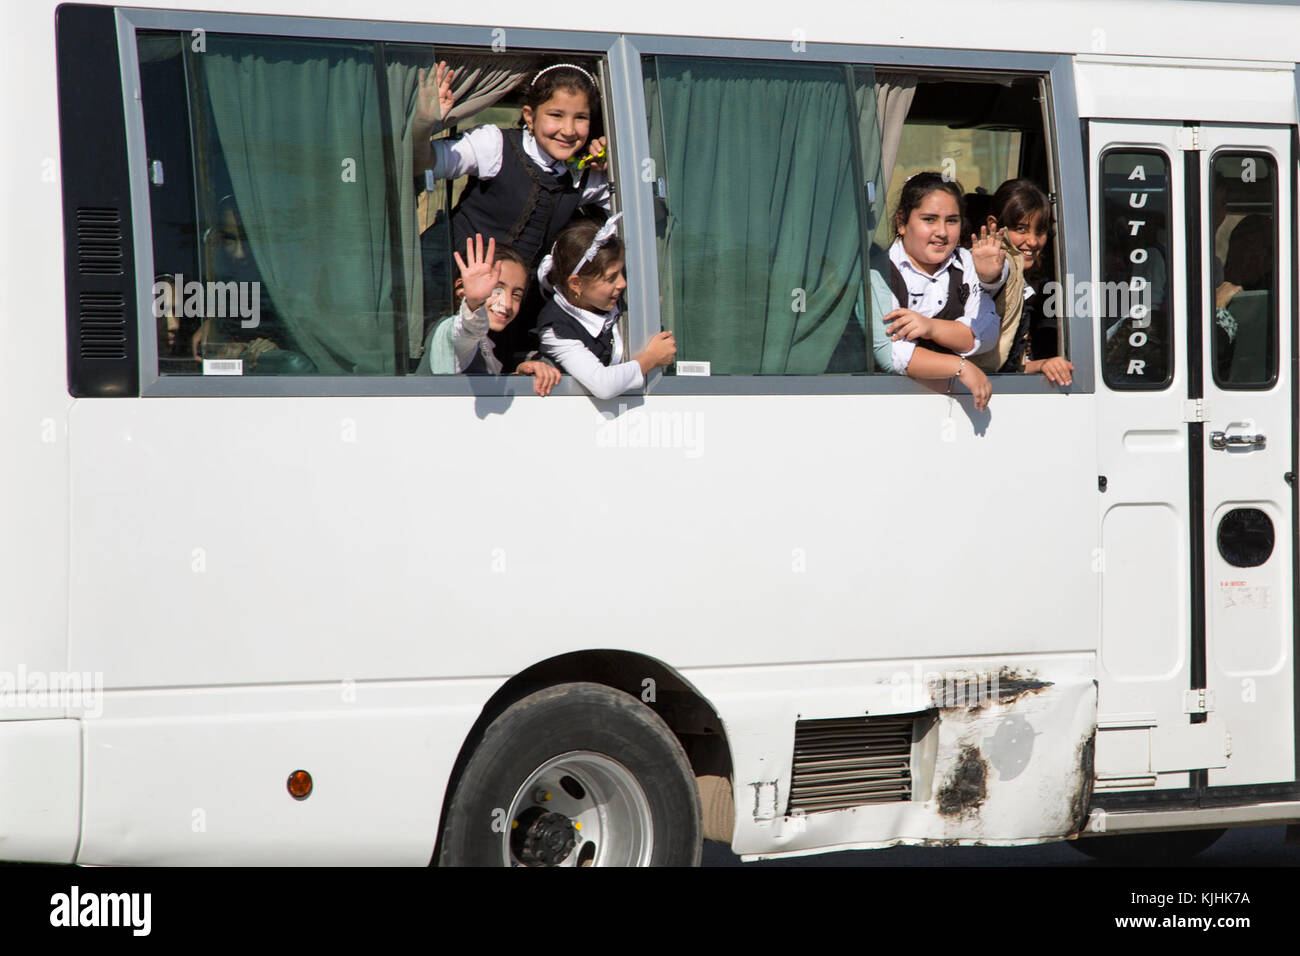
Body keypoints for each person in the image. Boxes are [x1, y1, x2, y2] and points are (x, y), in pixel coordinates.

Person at [413, 63, 612, 367]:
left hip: (507, 309)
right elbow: (423, 163)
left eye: (581, 118)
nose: (569, 130)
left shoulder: (583, 177)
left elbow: (646, 213)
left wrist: (617, 161)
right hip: (442, 292)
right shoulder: (495, 145)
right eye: (556, 115)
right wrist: (423, 124)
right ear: (530, 117)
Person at [869, 172, 997, 411]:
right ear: (901, 222)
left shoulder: (965, 262)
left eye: (952, 220)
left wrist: (928, 327)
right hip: (893, 405)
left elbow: (986, 334)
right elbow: (892, 354)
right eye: (929, 219)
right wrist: (962, 367)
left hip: (960, 404)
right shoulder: (879, 273)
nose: (942, 232)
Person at [536, 215, 675, 399]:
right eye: (611, 278)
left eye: (622, 273)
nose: (622, 284)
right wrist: (651, 359)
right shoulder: (556, 330)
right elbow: (603, 385)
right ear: (576, 284)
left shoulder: (611, 300)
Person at [416, 234, 561, 396]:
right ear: (461, 289)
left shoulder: (487, 344)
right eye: (495, 289)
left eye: (516, 295)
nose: (506, 304)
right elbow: (468, 329)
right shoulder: (449, 330)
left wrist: (518, 373)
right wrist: (475, 302)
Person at [968, 178, 1074, 386]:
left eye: (1040, 231)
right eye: (1022, 229)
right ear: (993, 225)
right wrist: (986, 275)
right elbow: (991, 277)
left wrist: (1043, 365)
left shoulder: (1022, 277)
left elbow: (1005, 364)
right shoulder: (1003, 263)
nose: (1033, 242)